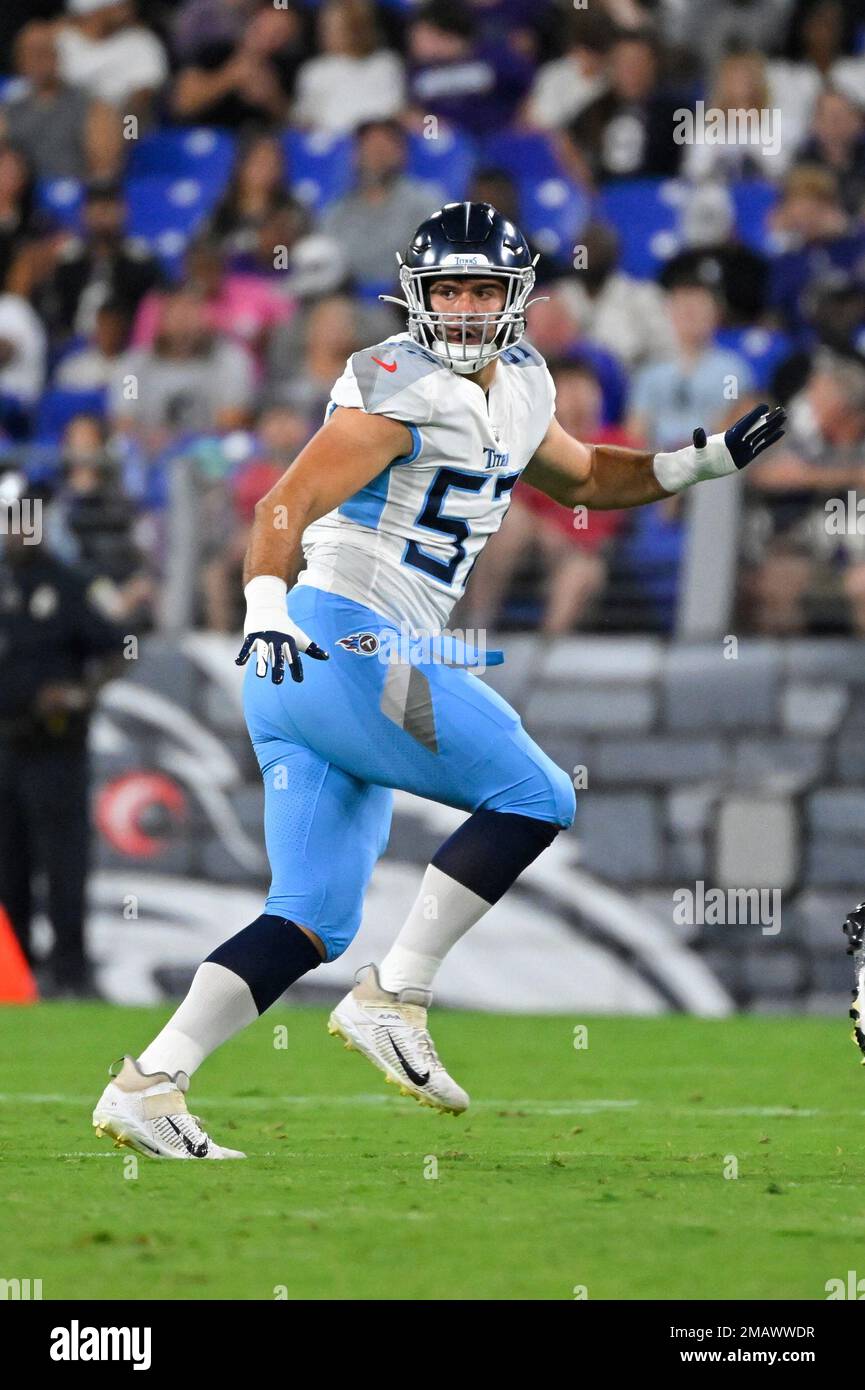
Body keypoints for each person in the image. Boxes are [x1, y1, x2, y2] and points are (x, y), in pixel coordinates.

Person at [91, 201, 786, 1158]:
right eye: (446, 289)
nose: (461, 308)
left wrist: (697, 462)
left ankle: (150, 1082)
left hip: (316, 674)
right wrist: (262, 602)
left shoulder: (522, 386)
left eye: (479, 289)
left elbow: (584, 482)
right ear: (416, 298)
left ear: (513, 299)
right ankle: (396, 994)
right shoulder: (400, 388)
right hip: (339, 640)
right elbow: (287, 500)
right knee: (534, 793)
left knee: (309, 917)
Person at [0, 496, 123, 998]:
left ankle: (71, 971)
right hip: (4, 745)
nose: (17, 535)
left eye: (25, 525)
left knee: (63, 862)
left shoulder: (70, 583)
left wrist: (79, 695)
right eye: (10, 524)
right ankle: (16, 971)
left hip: (55, 748)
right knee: (8, 864)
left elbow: (118, 646)